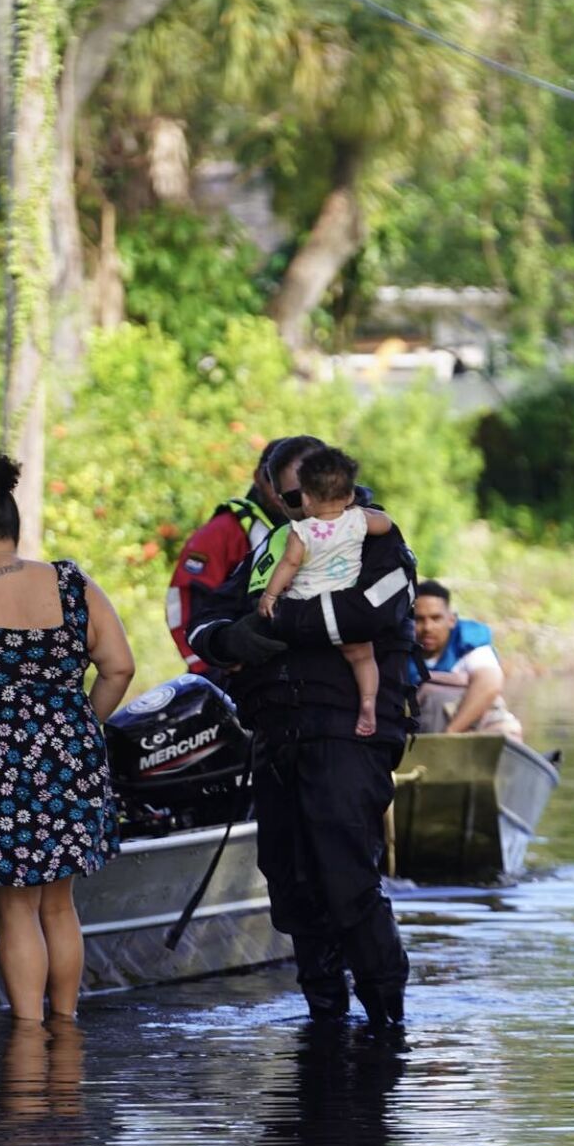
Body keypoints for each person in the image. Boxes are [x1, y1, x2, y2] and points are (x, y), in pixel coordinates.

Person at [187, 438, 417, 1027]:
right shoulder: (272, 547)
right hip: (276, 733)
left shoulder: (377, 538)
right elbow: (206, 618)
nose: (290, 504)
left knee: (345, 876)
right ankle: (325, 1013)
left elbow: (374, 612)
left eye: (298, 493)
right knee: (289, 883)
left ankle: (386, 1018)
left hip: (348, 729)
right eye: (279, 494)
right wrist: (228, 639)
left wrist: (276, 622)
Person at [0, 450, 135, 1022]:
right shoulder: (71, 582)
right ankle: (65, 1025)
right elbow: (119, 668)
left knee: (15, 910)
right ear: (13, 528)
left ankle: (29, 1040)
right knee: (59, 905)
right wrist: (78, 725)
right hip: (72, 760)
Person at [257, 446, 394, 737]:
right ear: (349, 496)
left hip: (304, 606)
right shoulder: (357, 520)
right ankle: (368, 704)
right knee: (362, 658)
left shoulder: (301, 531)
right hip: (344, 614)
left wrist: (269, 596)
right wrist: (363, 513)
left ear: (305, 498)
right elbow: (386, 525)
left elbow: (288, 565)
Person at [166, 437, 316, 676]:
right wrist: (210, 663)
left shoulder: (359, 526)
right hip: (237, 674)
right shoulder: (224, 530)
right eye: (272, 476)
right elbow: (185, 598)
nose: (282, 488)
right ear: (257, 476)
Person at [412, 579, 523, 739]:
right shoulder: (400, 650)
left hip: (464, 728)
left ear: (451, 620)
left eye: (436, 618)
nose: (428, 628)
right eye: (419, 620)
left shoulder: (469, 643)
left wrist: (449, 735)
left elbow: (490, 685)